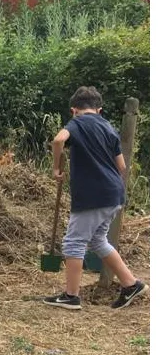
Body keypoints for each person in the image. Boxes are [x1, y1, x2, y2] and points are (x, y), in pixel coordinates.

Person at [44, 86, 147, 310]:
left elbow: (58, 141)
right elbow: (122, 166)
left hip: (93, 195)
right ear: (99, 110)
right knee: (98, 240)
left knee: (73, 242)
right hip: (114, 193)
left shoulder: (77, 123)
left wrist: (56, 169)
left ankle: (71, 296)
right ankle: (131, 284)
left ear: (74, 110)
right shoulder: (108, 127)